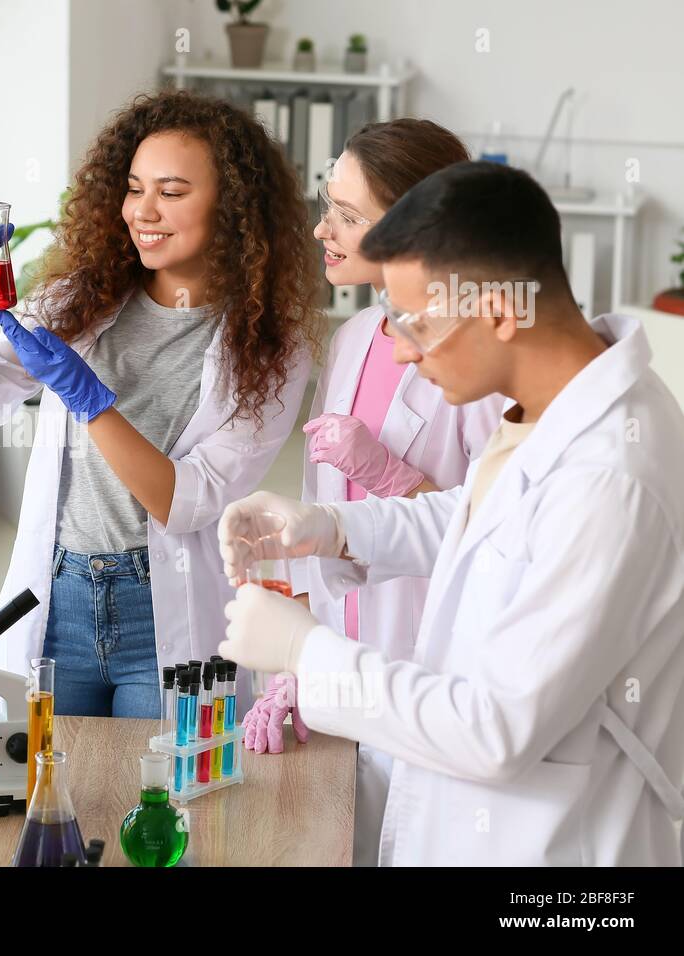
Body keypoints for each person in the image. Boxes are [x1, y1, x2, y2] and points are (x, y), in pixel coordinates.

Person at [219, 161, 684, 866]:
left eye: (417, 322)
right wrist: (330, 527)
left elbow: (496, 728)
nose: (401, 349)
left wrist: (304, 652)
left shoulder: (610, 478)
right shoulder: (552, 404)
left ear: (499, 311)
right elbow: (481, 520)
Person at [0, 91, 319, 717]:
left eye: (172, 191)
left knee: (155, 799)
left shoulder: (273, 351)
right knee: (48, 794)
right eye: (134, 189)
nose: (144, 211)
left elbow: (184, 500)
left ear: (234, 209)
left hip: (160, 613)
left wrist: (92, 402)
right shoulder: (83, 298)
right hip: (58, 600)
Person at [243, 120, 506, 868]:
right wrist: (296, 666)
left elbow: (494, 536)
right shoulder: (358, 335)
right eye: (328, 206)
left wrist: (395, 478)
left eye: (348, 216)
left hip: (423, 685)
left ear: (412, 225)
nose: (324, 229)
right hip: (338, 676)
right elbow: (313, 525)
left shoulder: (471, 358)